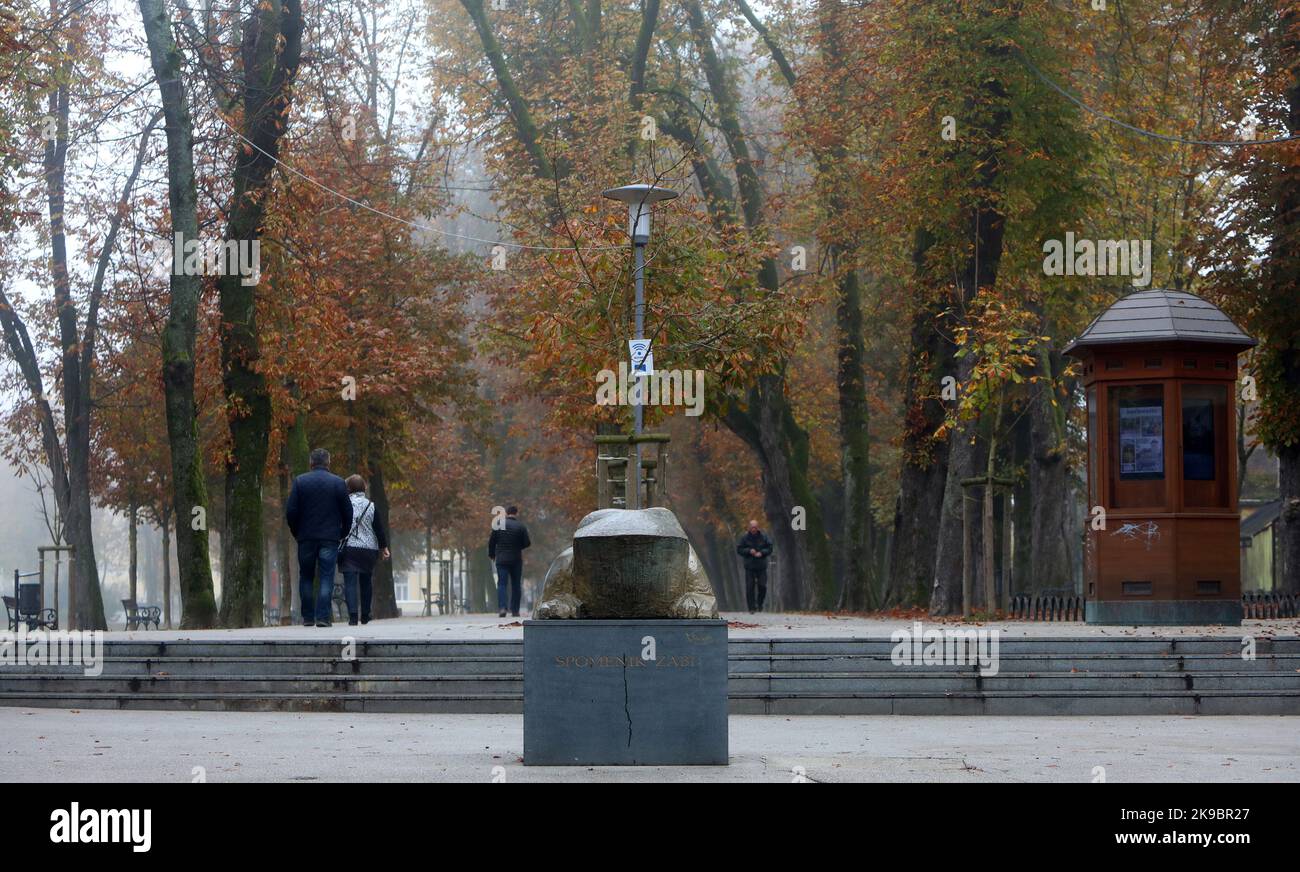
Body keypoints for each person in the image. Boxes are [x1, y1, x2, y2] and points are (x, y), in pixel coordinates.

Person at [285, 448, 352, 627]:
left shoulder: (300, 482)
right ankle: (322, 617)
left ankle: (307, 617)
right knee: (326, 576)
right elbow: (348, 513)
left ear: (311, 463)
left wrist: (296, 531)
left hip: (306, 537)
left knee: (306, 576)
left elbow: (291, 511)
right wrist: (342, 533)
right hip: (329, 538)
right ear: (328, 463)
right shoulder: (338, 483)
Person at [339, 474, 389, 626]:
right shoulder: (371, 506)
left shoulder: (344, 504)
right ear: (363, 488)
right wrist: (383, 547)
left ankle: (353, 616)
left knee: (350, 582)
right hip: (368, 550)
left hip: (350, 548)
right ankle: (366, 614)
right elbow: (379, 529)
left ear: (348, 488)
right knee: (366, 581)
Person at [488, 505, 531, 618]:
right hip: (516, 559)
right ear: (516, 513)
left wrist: (492, 554)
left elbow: (492, 541)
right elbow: (527, 543)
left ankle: (502, 608)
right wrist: (518, 546)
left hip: (501, 559)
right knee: (516, 584)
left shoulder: (498, 525)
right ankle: (515, 610)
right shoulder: (521, 526)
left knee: (502, 583)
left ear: (506, 513)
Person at [736, 519, 773, 613]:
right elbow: (739, 549)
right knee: (749, 587)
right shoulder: (744, 538)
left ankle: (759, 603)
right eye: (752, 527)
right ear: (749, 527)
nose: (753, 529)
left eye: (755, 527)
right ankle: (751, 608)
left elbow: (770, 548)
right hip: (749, 566)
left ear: (758, 527)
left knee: (763, 586)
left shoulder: (764, 537)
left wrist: (762, 553)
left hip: (761, 566)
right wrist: (749, 551)